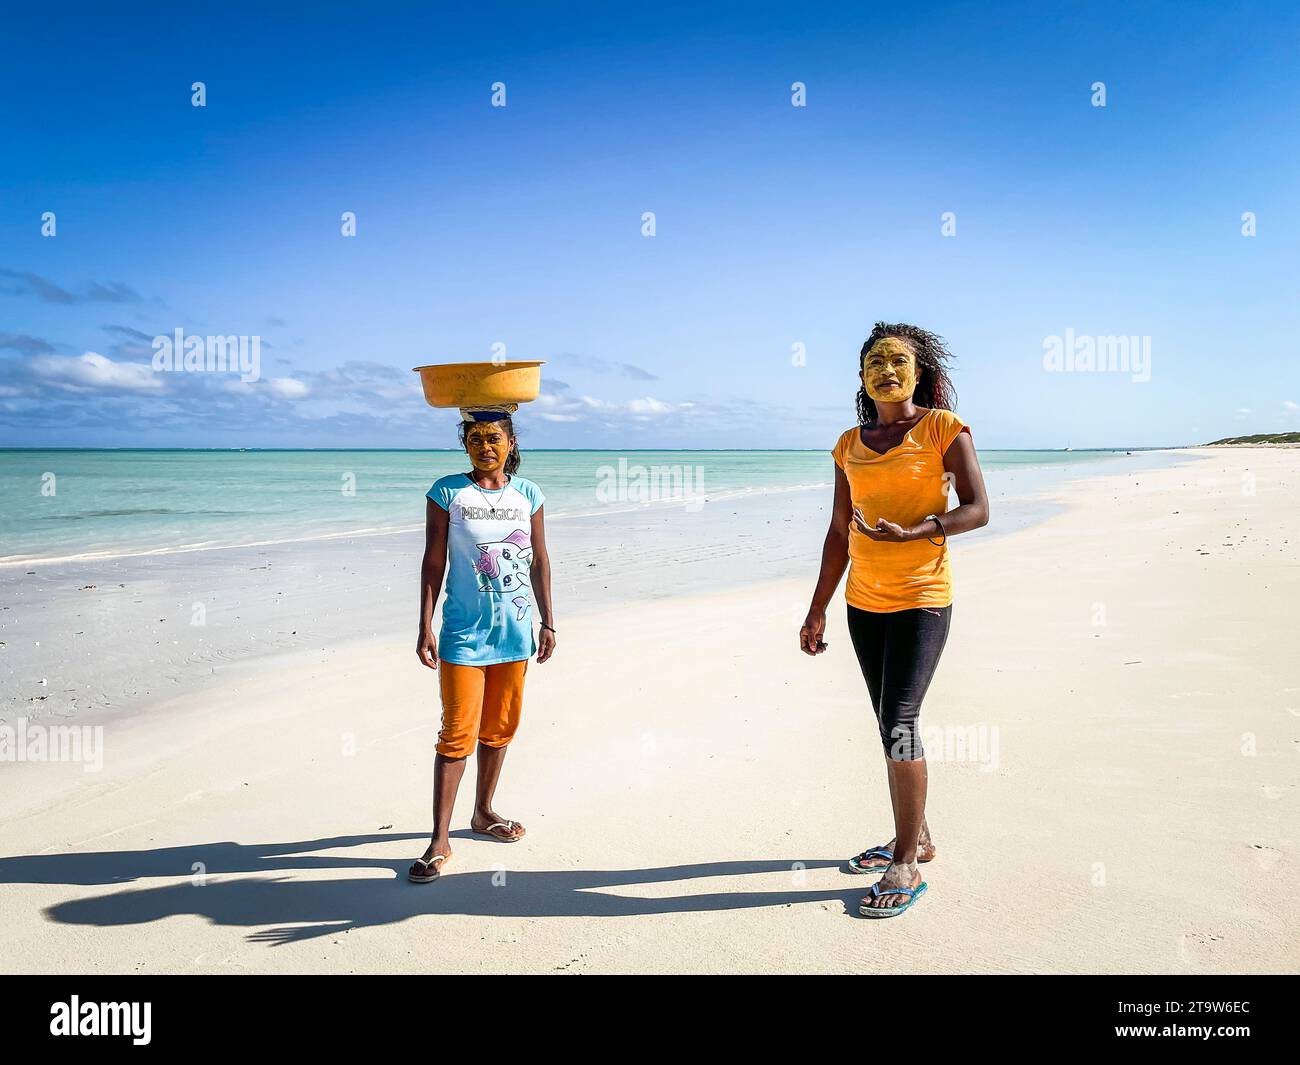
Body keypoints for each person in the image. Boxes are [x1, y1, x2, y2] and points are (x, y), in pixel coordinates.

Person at [800, 323, 989, 917]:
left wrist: (917, 532)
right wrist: (816, 609)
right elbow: (837, 531)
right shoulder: (849, 444)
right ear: (860, 376)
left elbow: (978, 509)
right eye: (875, 361)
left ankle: (904, 859)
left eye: (897, 360)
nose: (886, 369)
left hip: (923, 594)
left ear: (918, 371)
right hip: (864, 599)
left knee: (902, 720)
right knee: (889, 721)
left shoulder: (941, 430)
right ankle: (919, 836)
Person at [410, 404, 556, 883]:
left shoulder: (529, 494)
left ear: (511, 444)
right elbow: (434, 562)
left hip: (515, 634)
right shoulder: (447, 492)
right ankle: (439, 839)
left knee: (499, 729)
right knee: (456, 733)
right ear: (465, 444)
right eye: (475, 439)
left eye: (494, 438)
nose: (485, 447)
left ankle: (484, 813)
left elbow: (538, 560)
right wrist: (425, 624)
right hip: (462, 634)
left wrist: (548, 621)